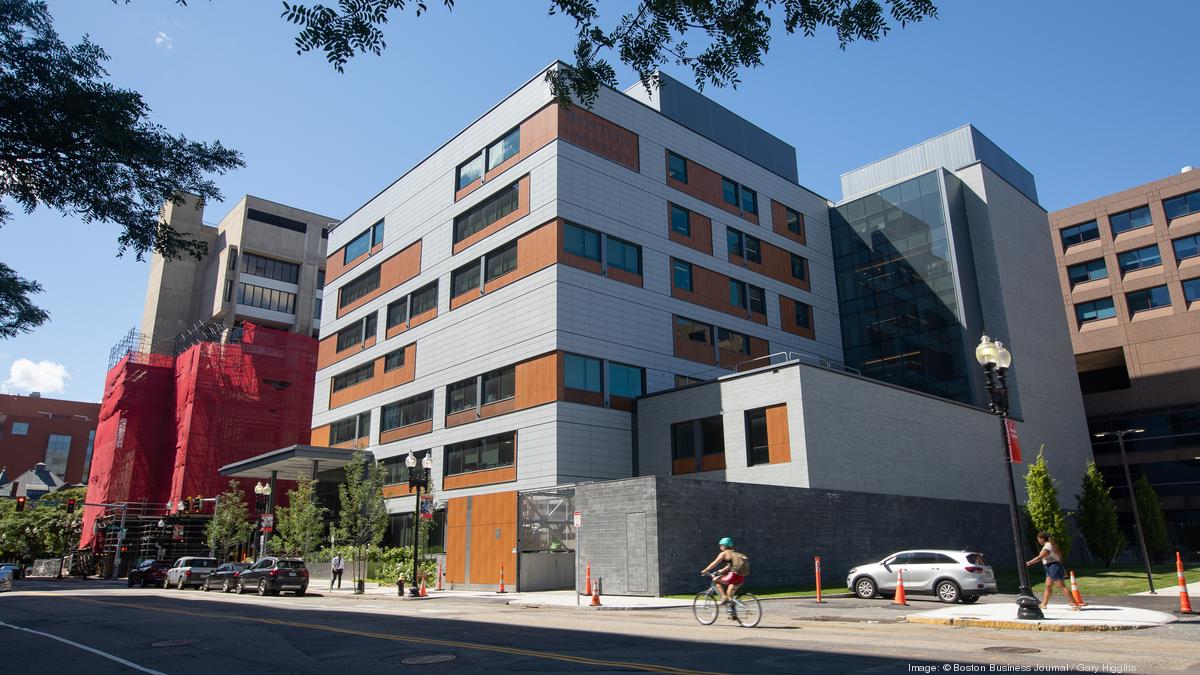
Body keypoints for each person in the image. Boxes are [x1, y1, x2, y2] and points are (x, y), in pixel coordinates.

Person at [1026, 532, 1079, 611]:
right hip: (1050, 567)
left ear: (1042, 539)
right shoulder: (1050, 545)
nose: (1038, 541)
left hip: (1053, 567)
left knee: (1061, 586)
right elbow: (1059, 557)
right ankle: (1043, 604)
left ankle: (1075, 605)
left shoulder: (1047, 546)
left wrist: (1028, 563)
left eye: (1038, 539)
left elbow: (1040, 557)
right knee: (1048, 586)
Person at [700, 537, 749, 616]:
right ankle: (733, 613)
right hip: (740, 577)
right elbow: (730, 566)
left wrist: (705, 570)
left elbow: (714, 563)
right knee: (730, 595)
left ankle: (723, 598)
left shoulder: (724, 553)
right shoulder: (734, 554)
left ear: (724, 545)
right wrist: (721, 571)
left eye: (720, 545)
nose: (720, 547)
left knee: (715, 579)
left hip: (732, 577)